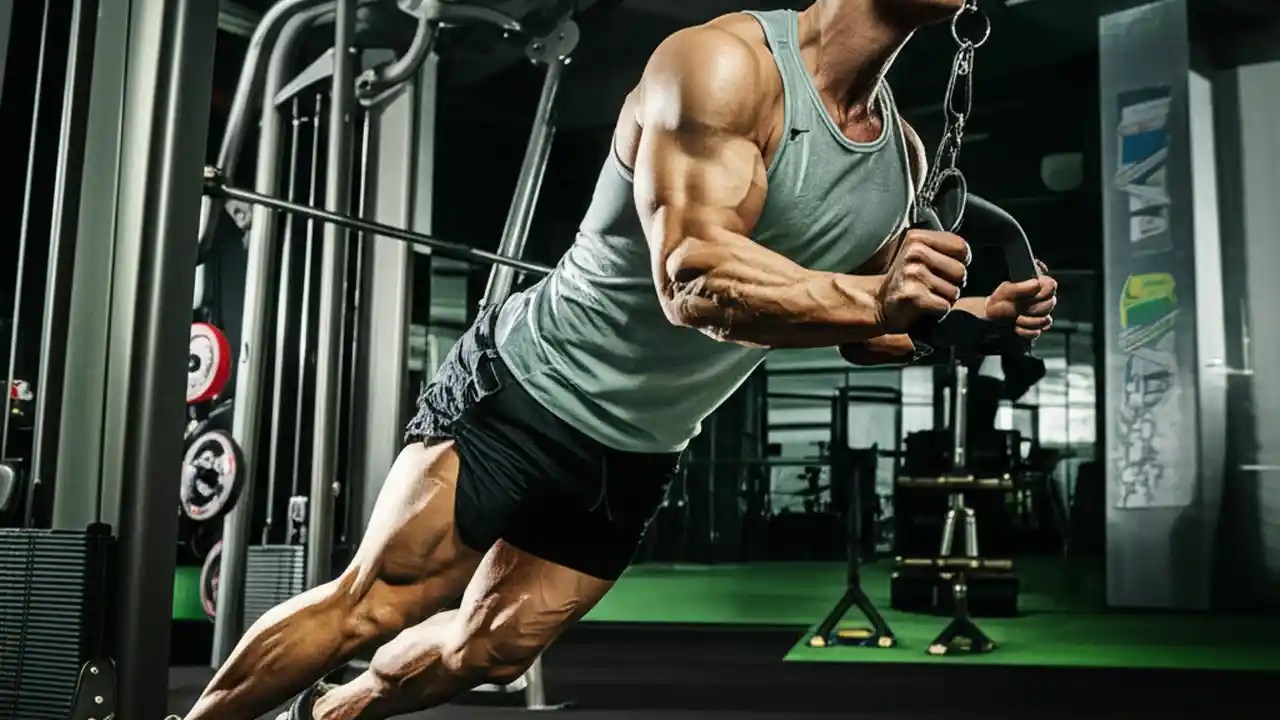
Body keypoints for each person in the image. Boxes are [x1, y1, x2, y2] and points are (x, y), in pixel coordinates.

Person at [183, 1, 1057, 718]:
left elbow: (862, 327)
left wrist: (974, 322)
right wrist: (876, 296)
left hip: (641, 445)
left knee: (492, 651)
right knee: (373, 605)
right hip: (528, 391)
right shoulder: (724, 65)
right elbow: (695, 277)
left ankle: (335, 714)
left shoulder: (898, 156)